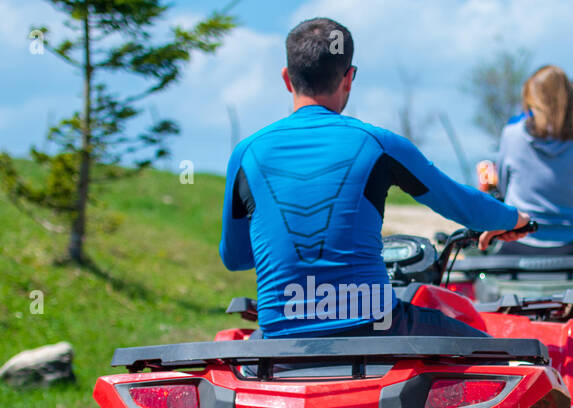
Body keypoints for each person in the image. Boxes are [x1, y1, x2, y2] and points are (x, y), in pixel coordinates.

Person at [220, 17, 532, 338]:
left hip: (280, 338)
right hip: (375, 328)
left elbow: (236, 257)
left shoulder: (246, 153)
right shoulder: (377, 144)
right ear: (349, 78)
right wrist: (513, 218)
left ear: (287, 79)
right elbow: (459, 202)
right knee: (495, 353)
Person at [483, 64, 573, 256]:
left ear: (530, 98)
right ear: (571, 98)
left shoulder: (511, 135)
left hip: (516, 246)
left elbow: (503, 186)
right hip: (572, 248)